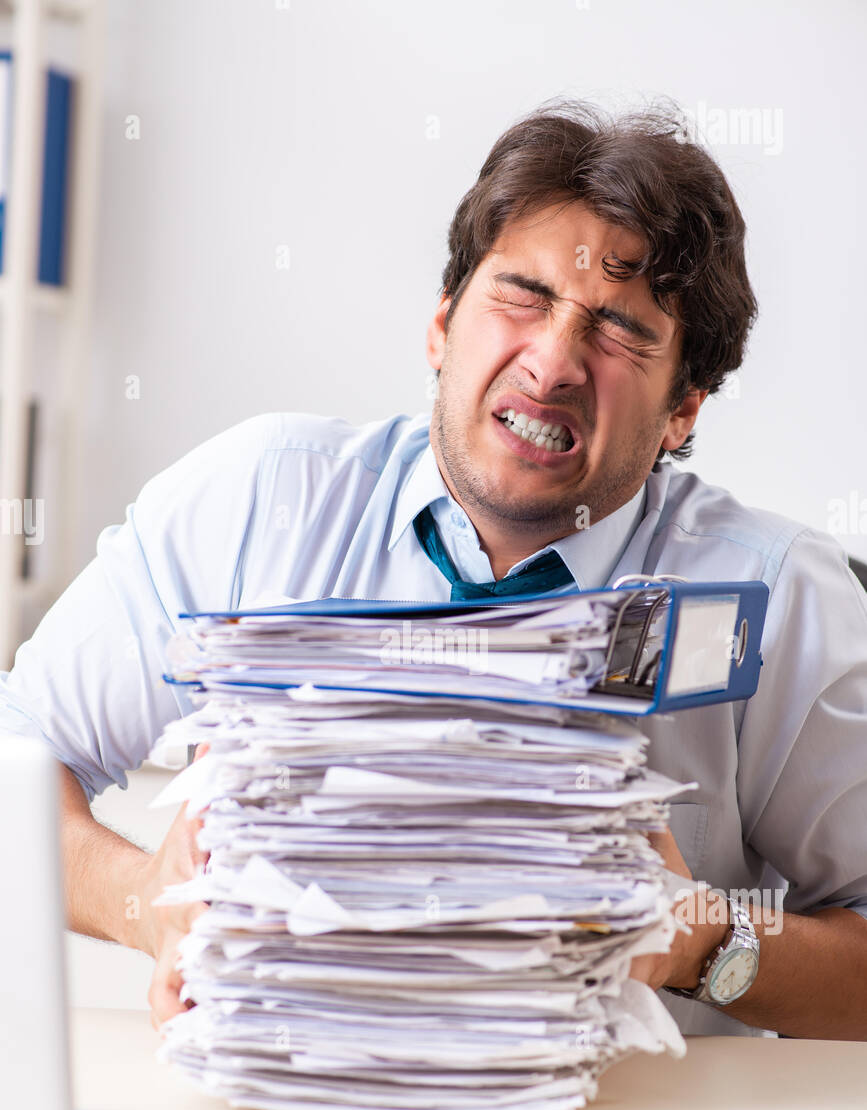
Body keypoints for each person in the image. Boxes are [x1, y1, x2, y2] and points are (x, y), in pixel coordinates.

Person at [2, 99, 866, 1040]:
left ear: (681, 413)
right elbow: (17, 759)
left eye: (617, 329)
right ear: (442, 327)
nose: (552, 361)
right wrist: (147, 901)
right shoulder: (258, 501)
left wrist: (697, 939)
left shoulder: (780, 600)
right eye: (522, 296)